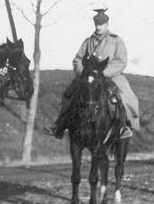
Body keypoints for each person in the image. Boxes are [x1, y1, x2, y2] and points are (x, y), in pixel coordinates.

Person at [44, 9, 139, 140]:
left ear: (107, 24)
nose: (98, 27)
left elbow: (121, 61)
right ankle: (59, 125)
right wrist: (84, 72)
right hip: (88, 76)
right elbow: (77, 59)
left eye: (101, 24)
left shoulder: (116, 40)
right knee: (69, 93)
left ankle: (124, 127)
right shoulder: (88, 42)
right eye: (96, 25)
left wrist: (104, 72)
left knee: (126, 96)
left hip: (112, 75)